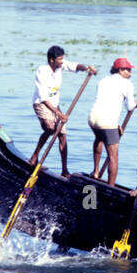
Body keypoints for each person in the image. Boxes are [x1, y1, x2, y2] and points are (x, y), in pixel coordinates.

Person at [28, 44, 97, 178]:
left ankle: (64, 170)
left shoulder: (60, 66)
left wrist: (86, 68)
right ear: (51, 60)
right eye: (59, 60)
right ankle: (34, 157)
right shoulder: (42, 71)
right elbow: (43, 98)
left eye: (62, 59)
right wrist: (59, 114)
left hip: (55, 105)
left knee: (62, 135)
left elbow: (74, 66)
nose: (62, 62)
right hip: (42, 104)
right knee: (50, 128)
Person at [88, 57, 137, 186]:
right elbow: (130, 106)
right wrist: (135, 104)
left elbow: (105, 100)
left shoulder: (104, 80)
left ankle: (96, 171)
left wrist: (116, 125)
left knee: (99, 138)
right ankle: (110, 187)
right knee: (113, 156)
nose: (130, 73)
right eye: (128, 70)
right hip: (106, 121)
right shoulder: (127, 84)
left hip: (93, 118)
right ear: (120, 70)